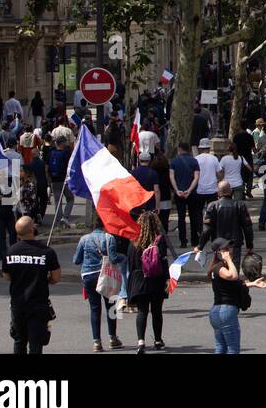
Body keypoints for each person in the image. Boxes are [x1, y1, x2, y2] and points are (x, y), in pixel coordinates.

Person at [1, 216, 61, 354]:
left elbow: (6, 276)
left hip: (18, 304)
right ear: (32, 229)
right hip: (38, 304)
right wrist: (46, 279)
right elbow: (56, 278)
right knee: (36, 344)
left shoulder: (10, 252)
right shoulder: (47, 252)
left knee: (19, 341)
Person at [206, 239, 266, 354]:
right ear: (218, 253)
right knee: (233, 349)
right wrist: (229, 260)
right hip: (225, 311)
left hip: (217, 312)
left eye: (230, 248)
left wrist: (252, 284)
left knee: (221, 348)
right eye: (225, 249)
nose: (230, 251)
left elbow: (233, 284)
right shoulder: (220, 268)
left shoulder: (218, 268)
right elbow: (233, 276)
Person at [72, 218, 121, 352]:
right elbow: (114, 258)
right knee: (111, 307)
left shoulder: (84, 239)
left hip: (89, 276)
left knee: (95, 308)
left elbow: (76, 260)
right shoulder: (109, 237)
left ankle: (96, 342)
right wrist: (124, 257)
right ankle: (113, 338)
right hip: (106, 275)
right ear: (105, 225)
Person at [126, 211, 170, 353]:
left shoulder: (134, 240)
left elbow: (130, 264)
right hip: (156, 279)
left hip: (139, 279)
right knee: (157, 310)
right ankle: (157, 339)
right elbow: (163, 261)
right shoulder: (159, 239)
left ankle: (141, 342)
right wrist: (167, 279)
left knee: (142, 311)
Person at [169, 142, 201, 248]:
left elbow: (172, 177)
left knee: (181, 218)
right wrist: (189, 190)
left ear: (179, 148)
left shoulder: (174, 161)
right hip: (192, 193)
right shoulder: (194, 161)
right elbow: (196, 178)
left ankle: (183, 241)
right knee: (193, 216)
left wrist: (177, 190)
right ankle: (194, 240)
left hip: (179, 193)